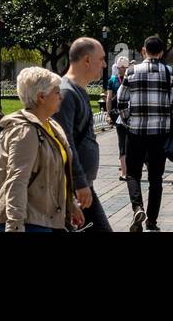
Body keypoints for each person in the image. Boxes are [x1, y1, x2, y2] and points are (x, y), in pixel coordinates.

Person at [0, 66, 84, 233]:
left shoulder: (51, 125)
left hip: (49, 219)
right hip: (29, 222)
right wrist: (15, 226)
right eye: (56, 92)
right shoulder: (25, 131)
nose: (61, 97)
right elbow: (16, 180)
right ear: (41, 97)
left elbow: (57, 174)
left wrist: (70, 205)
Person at [117, 36, 173, 232]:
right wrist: (168, 122)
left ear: (144, 50)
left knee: (133, 174)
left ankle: (137, 207)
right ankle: (151, 220)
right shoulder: (169, 73)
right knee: (156, 178)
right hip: (159, 133)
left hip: (136, 132)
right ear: (161, 52)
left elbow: (120, 99)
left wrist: (128, 119)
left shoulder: (132, 71)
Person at [56, 37, 110, 231]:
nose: (104, 64)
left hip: (82, 186)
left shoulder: (77, 90)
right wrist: (79, 183)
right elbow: (65, 143)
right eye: (101, 59)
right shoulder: (66, 92)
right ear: (86, 60)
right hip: (73, 188)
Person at [107, 56, 129, 180]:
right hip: (122, 114)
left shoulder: (128, 78)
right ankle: (125, 171)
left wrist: (109, 112)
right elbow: (109, 98)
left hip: (125, 114)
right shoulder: (114, 80)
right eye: (121, 67)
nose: (122, 69)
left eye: (124, 67)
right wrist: (109, 113)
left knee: (126, 142)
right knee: (124, 142)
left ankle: (126, 170)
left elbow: (109, 98)